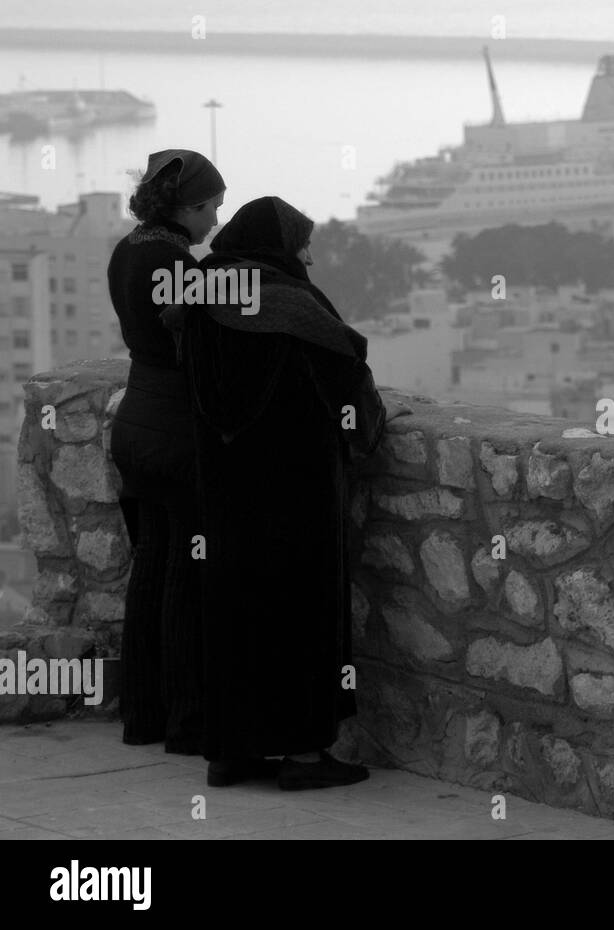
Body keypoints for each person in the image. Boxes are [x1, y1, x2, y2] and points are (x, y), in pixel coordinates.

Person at [169, 196, 386, 789]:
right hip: (296, 490)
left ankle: (231, 753)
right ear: (277, 246)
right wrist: (369, 425)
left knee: (233, 613)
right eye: (302, 244)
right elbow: (345, 373)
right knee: (299, 614)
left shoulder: (202, 296)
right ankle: (304, 756)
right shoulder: (292, 304)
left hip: (225, 489)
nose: (308, 257)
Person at [107, 149, 225, 752]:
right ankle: (185, 722)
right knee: (184, 567)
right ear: (186, 207)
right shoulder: (174, 260)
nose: (215, 222)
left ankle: (142, 713)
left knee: (150, 564)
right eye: (210, 209)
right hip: (176, 428)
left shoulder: (127, 249)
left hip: (135, 420)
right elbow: (195, 341)